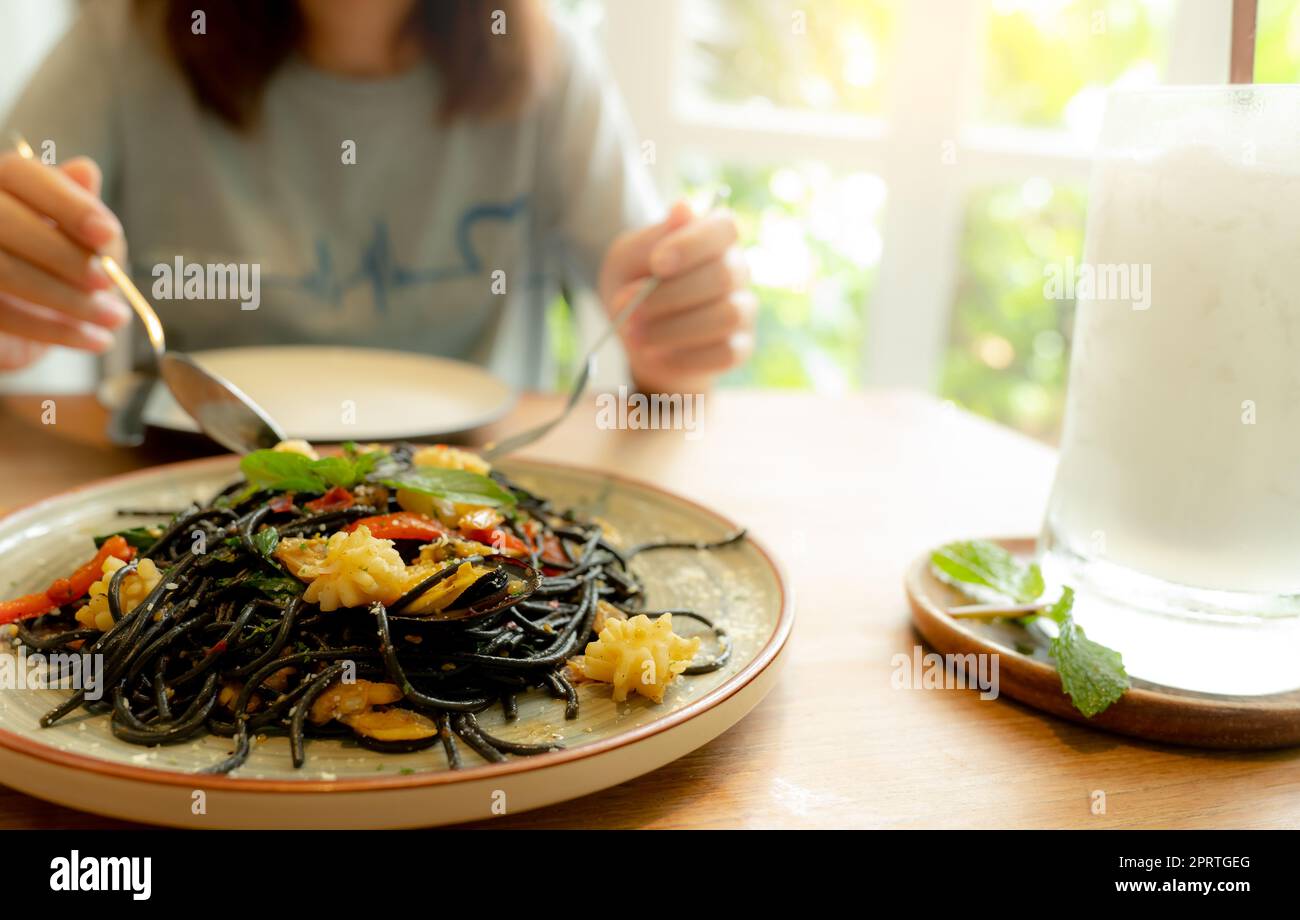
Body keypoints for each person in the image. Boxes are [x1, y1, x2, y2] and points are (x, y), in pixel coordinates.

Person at [0, 0, 755, 393]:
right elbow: (23, 230)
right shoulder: (122, 43)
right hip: (182, 509)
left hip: (482, 530)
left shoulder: (549, 59)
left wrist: (674, 328)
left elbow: (665, 349)